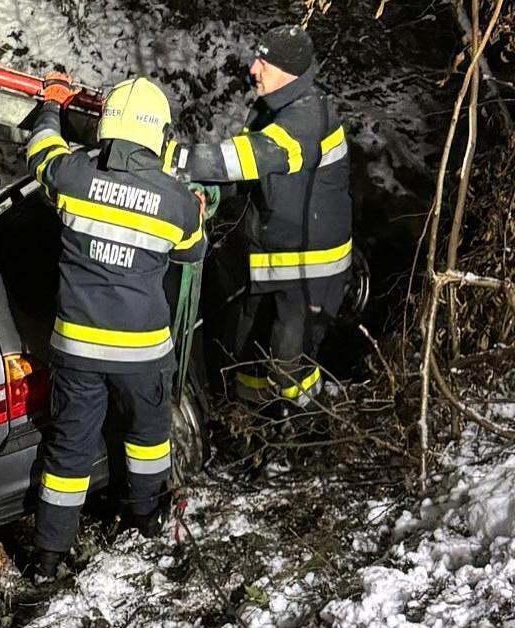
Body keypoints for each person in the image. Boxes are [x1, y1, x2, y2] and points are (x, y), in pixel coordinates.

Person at [26, 74, 207, 582]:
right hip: (143, 354)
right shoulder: (175, 201)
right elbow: (192, 251)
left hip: (77, 349)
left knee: (69, 450)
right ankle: (144, 519)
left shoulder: (73, 176)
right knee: (148, 440)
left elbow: (41, 152)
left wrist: (52, 105)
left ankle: (48, 555)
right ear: (159, 134)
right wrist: (193, 207)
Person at [174, 25, 352, 413]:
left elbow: (252, 158)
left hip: (309, 269)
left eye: (263, 63)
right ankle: (251, 427)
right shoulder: (271, 111)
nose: (253, 68)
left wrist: (174, 158)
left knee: (290, 364)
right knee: (246, 353)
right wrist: (210, 191)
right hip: (270, 257)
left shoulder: (309, 116)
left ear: (288, 71)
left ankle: (308, 427)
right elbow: (248, 176)